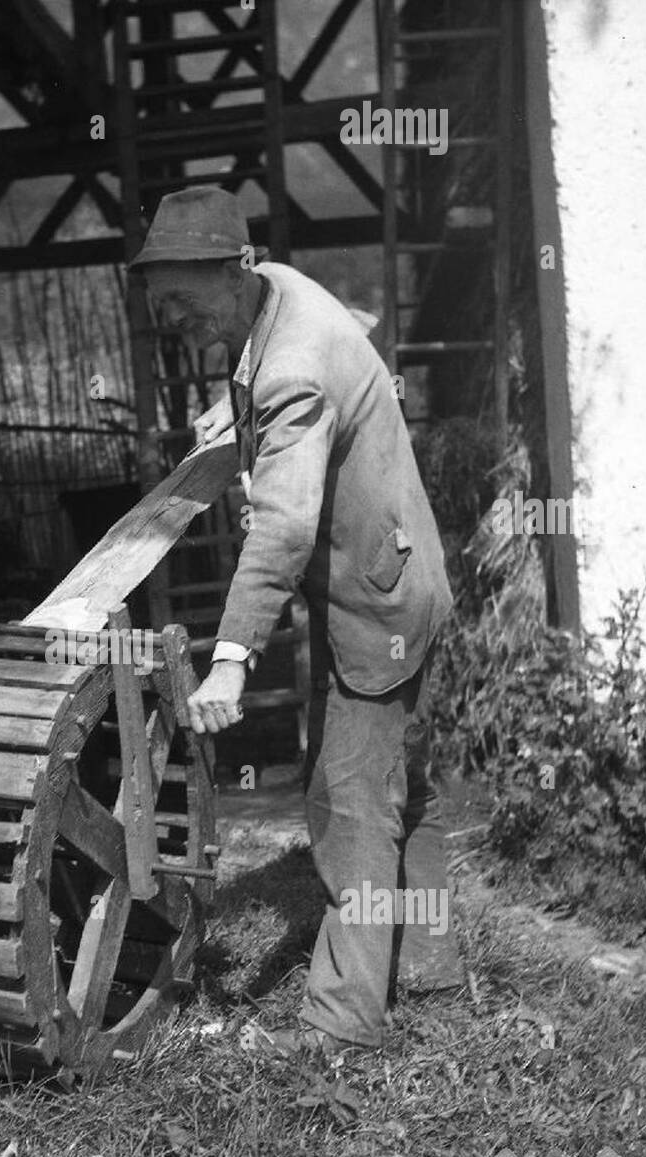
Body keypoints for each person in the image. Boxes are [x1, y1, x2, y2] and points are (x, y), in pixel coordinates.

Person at [129, 186, 464, 1061]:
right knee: (403, 785)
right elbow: (348, 321)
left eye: (185, 296)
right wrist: (236, 414)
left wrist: (233, 657)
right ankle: (426, 966)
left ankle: (338, 1029)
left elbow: (282, 524)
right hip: (399, 570)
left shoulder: (291, 367)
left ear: (235, 270)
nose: (172, 316)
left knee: (346, 802)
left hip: (378, 600)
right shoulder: (278, 290)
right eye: (161, 296)